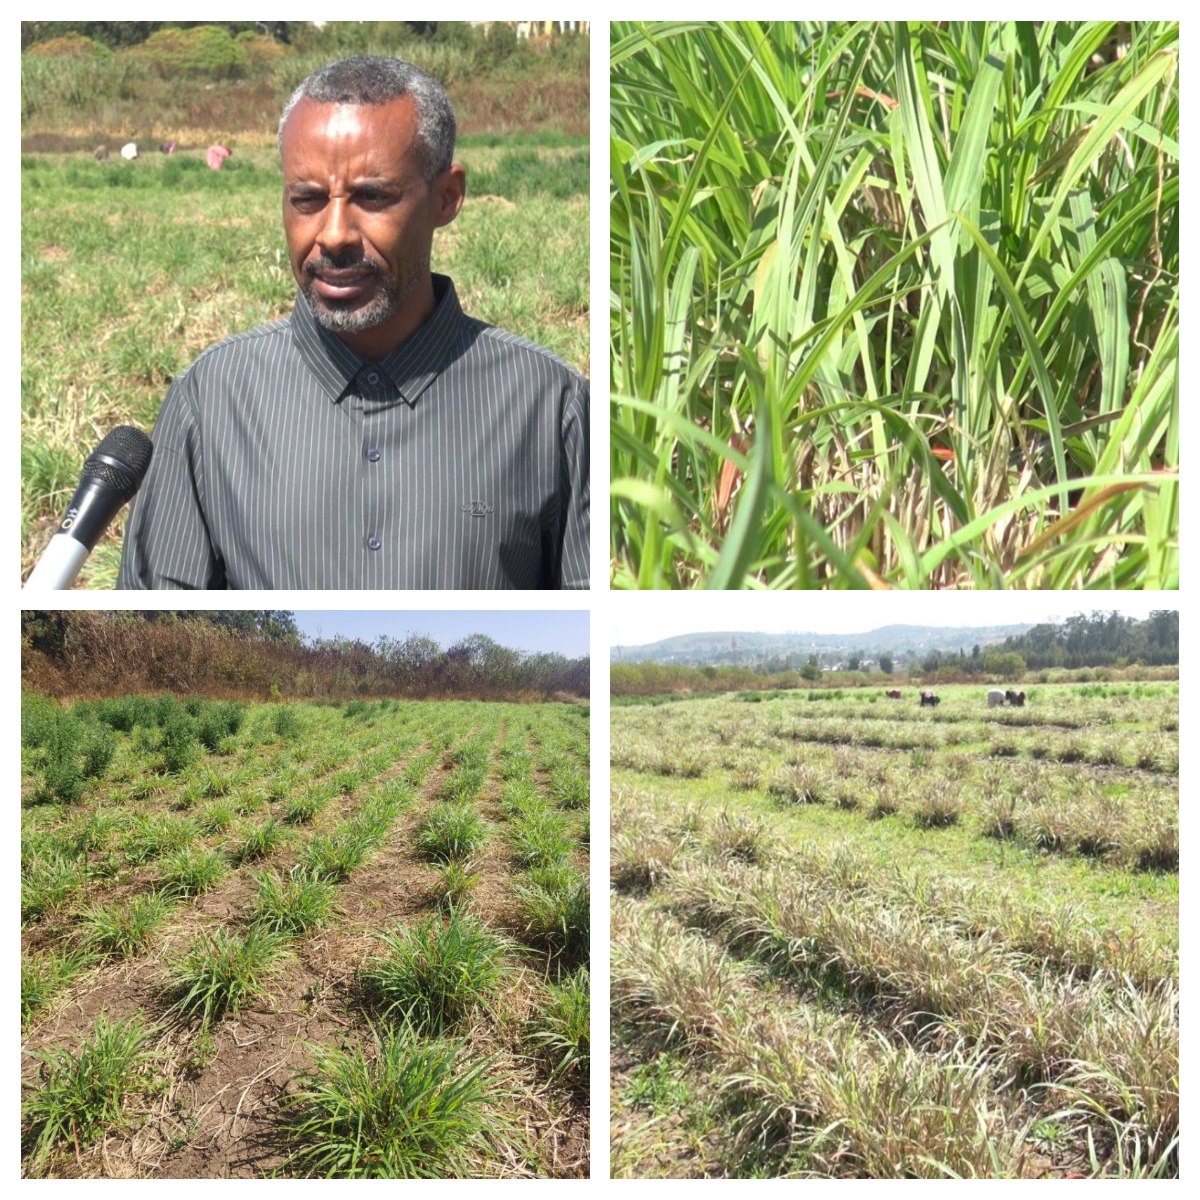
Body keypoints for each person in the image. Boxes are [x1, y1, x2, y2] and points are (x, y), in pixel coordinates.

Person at [119, 55, 589, 589]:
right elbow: (161, 621)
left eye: (372, 197)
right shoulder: (212, 399)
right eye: (307, 200)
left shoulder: (550, 406)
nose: (335, 233)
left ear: (446, 198)